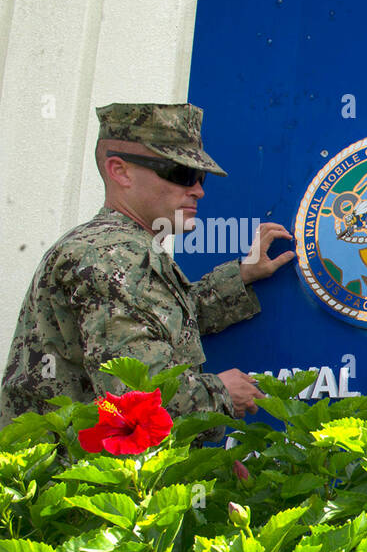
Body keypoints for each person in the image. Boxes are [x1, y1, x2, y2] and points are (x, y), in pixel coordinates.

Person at [0, 102, 294, 436]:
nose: (197, 190)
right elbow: (135, 401)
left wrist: (240, 277)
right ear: (120, 171)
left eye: (199, 178)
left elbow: (155, 324)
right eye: (180, 174)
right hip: (75, 479)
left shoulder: (117, 248)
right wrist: (221, 395)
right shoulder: (112, 256)